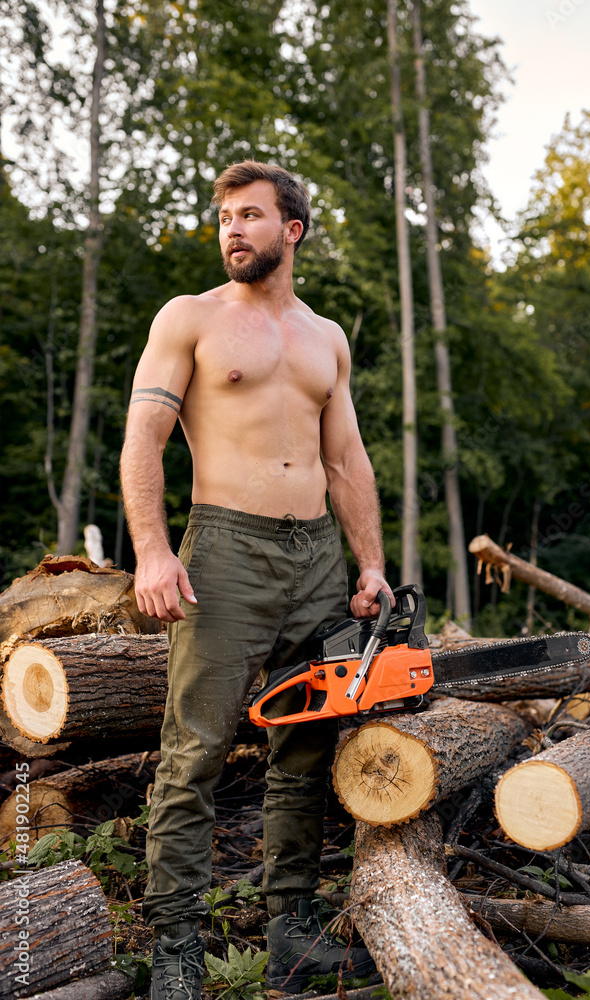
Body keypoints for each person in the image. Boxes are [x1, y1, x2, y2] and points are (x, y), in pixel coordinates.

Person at [119, 160, 393, 1000]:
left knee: (304, 749)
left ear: (292, 230)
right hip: (225, 551)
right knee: (193, 751)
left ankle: (291, 934)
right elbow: (142, 440)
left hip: (315, 558)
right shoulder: (190, 319)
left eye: (250, 215)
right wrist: (154, 551)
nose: (231, 229)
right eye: (225, 218)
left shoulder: (326, 338)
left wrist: (371, 564)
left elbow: (345, 460)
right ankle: (174, 952)